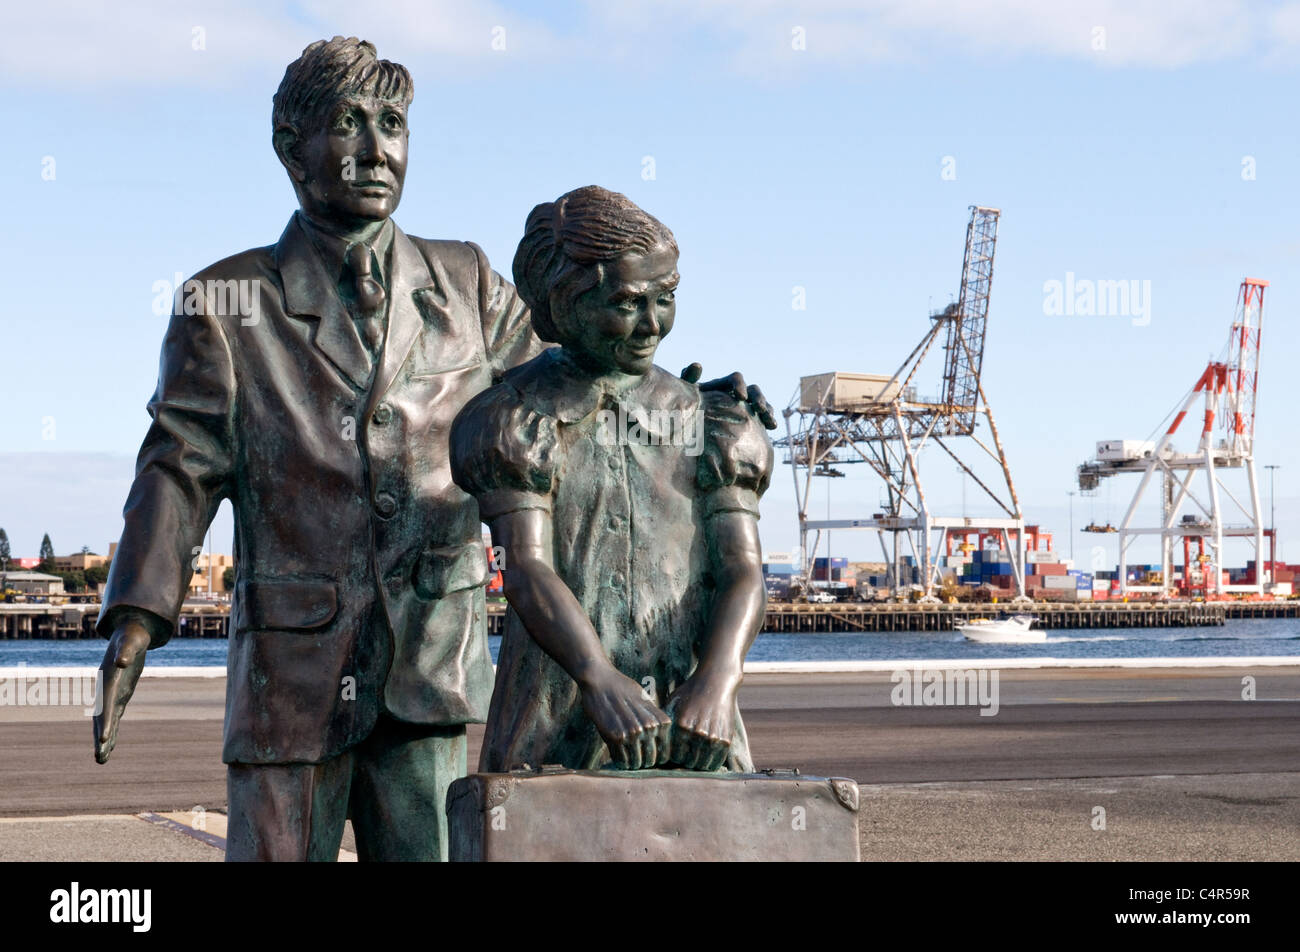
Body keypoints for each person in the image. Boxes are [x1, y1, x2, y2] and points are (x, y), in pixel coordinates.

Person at [91, 37, 548, 861]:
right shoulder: (226, 301)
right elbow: (177, 464)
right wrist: (135, 616)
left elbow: (559, 397)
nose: (377, 151)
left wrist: (678, 411)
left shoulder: (470, 282)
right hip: (291, 677)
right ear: (288, 146)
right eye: (348, 124)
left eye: (393, 124)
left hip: (429, 661)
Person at [450, 186, 773, 774]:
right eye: (626, 304)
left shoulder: (714, 421)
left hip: (691, 714)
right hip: (556, 709)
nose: (653, 324)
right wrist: (596, 676)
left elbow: (744, 570)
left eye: (666, 297)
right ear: (565, 303)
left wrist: (718, 681)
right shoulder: (513, 418)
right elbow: (525, 566)